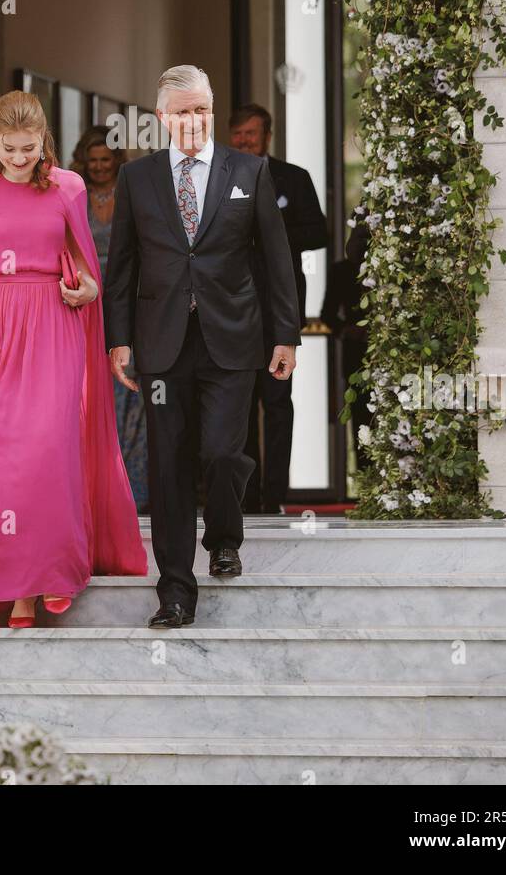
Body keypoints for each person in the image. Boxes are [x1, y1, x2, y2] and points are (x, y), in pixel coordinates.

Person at [0, 90, 147, 628]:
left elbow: (88, 265)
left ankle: (55, 572)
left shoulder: (69, 187)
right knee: (6, 465)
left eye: (29, 148)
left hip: (53, 324)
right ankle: (21, 593)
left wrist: (88, 291)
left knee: (53, 449)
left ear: (44, 141)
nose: (20, 159)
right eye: (11, 149)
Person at [104, 65, 301, 628]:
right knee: (168, 465)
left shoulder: (250, 170)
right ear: (161, 117)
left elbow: (276, 260)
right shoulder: (137, 179)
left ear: (209, 113)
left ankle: (223, 533)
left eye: (201, 111)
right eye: (181, 112)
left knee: (221, 451)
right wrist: (118, 339)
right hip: (163, 343)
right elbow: (122, 266)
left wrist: (285, 334)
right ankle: (174, 591)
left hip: (233, 339)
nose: (192, 122)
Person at [228, 103, 328, 514]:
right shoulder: (220, 177)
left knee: (277, 402)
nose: (244, 142)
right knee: (240, 405)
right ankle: (248, 497)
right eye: (238, 135)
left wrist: (272, 230)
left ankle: (276, 497)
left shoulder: (293, 178)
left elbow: (319, 231)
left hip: (279, 309)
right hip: (232, 311)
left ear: (267, 135)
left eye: (251, 134)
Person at [70, 126, 149, 512]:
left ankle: (131, 488)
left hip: (126, 298)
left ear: (117, 160)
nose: (100, 167)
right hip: (82, 302)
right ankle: (89, 487)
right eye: (93, 160)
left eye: (106, 160)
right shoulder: (72, 195)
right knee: (85, 385)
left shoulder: (132, 192)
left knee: (128, 386)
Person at [321, 220, 370, 461]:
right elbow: (327, 315)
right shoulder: (341, 271)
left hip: (381, 353)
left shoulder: (384, 270)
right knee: (360, 420)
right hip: (355, 355)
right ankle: (363, 479)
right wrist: (349, 331)